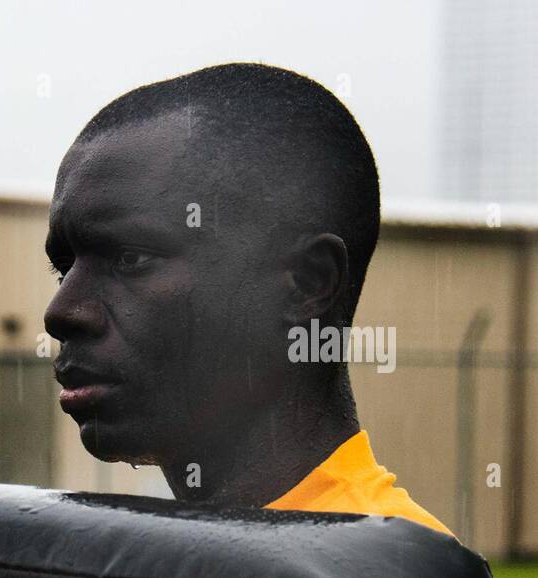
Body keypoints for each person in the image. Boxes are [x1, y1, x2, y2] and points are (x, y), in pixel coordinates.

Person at [45, 62, 453, 537]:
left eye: (132, 258)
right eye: (64, 268)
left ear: (307, 281)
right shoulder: (166, 560)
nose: (60, 312)